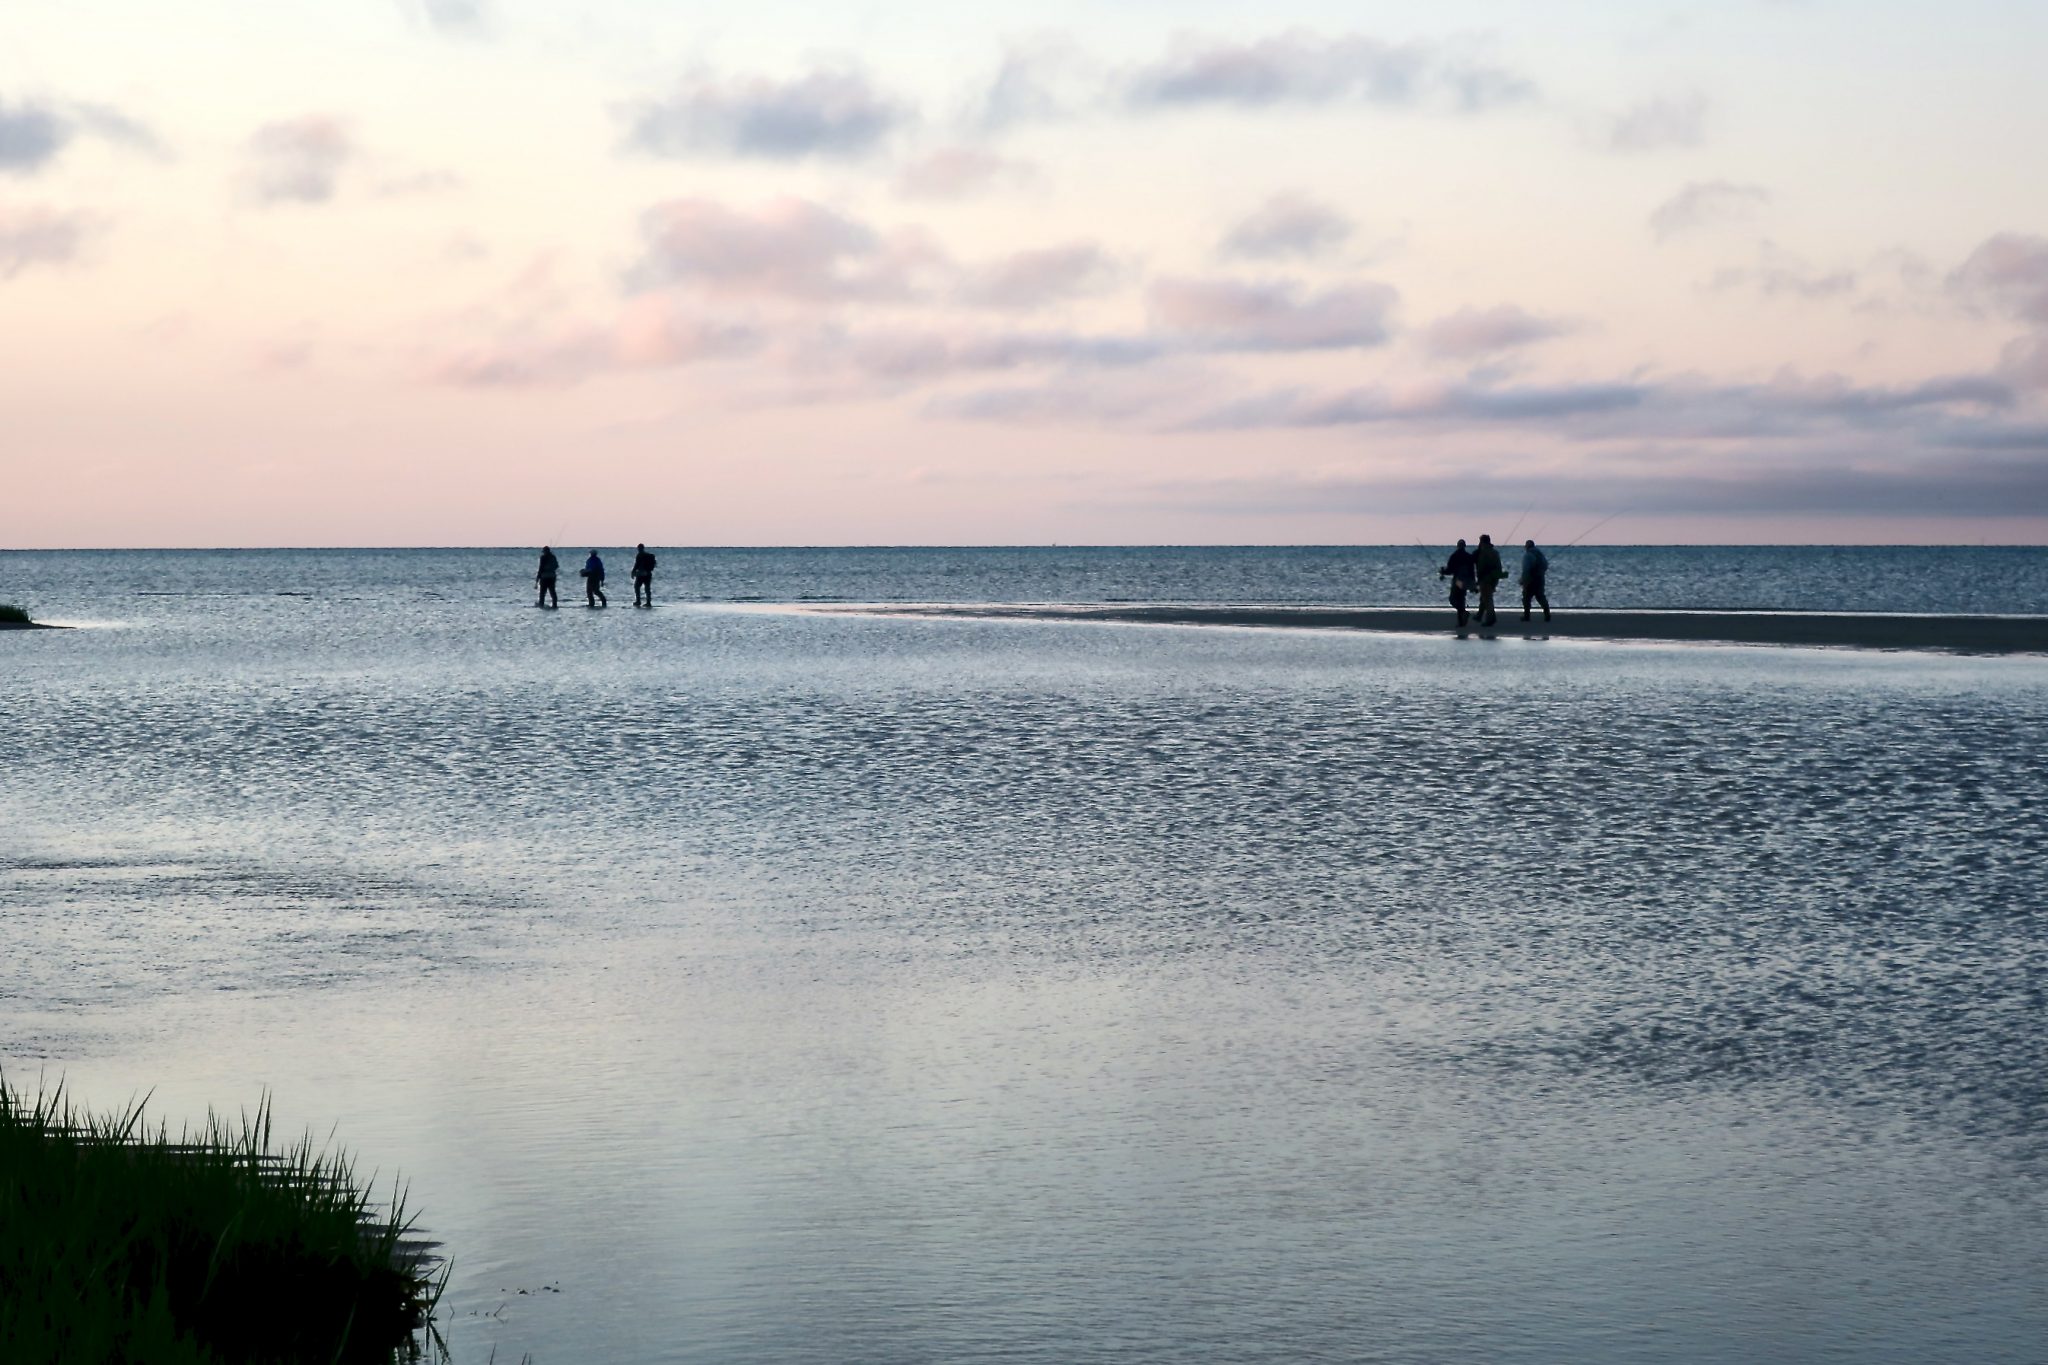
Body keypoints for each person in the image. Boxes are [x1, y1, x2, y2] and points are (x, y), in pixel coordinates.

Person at [1439, 538, 1476, 628]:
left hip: (1457, 582)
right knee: (1461, 599)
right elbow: (1472, 571)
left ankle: (1462, 616)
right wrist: (1473, 583)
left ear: (1458, 546)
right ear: (1465, 546)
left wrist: (1443, 571)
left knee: (1453, 599)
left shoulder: (1454, 556)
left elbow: (1450, 570)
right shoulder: (1469, 557)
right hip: (1466, 581)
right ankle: (1461, 622)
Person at [1473, 534, 1505, 626]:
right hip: (1495, 578)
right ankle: (1479, 615)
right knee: (1485, 597)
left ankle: (1490, 619)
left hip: (1486, 578)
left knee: (1487, 599)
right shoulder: (1495, 552)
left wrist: (1478, 579)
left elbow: (1482, 566)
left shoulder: (1484, 552)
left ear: (1482, 542)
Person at [1520, 539, 1551, 622]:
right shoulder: (1540, 554)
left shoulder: (1527, 555)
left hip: (1530, 579)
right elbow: (1545, 566)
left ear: (1527, 547)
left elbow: (1526, 569)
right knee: (1540, 596)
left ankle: (1527, 616)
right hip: (1540, 578)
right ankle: (1547, 614)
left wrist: (1522, 580)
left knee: (1526, 598)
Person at [631, 543, 658, 608]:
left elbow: (636, 565)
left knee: (637, 587)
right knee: (647, 588)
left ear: (639, 548)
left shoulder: (639, 555)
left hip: (641, 574)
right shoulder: (648, 555)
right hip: (648, 574)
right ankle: (648, 602)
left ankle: (638, 601)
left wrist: (633, 572)